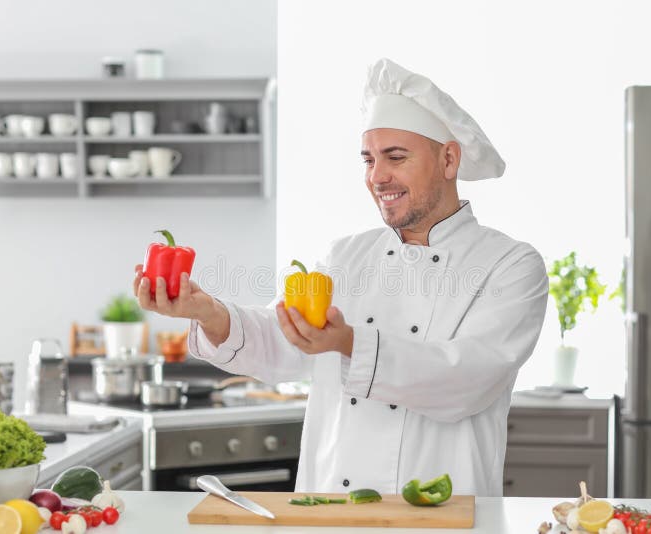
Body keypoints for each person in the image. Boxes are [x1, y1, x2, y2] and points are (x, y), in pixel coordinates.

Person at [134, 58, 548, 497]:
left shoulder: (510, 264)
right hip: (334, 508)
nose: (377, 177)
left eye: (396, 157)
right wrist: (210, 313)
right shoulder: (346, 255)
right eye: (369, 159)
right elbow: (285, 340)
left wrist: (348, 342)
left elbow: (465, 380)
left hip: (442, 512)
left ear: (448, 159)